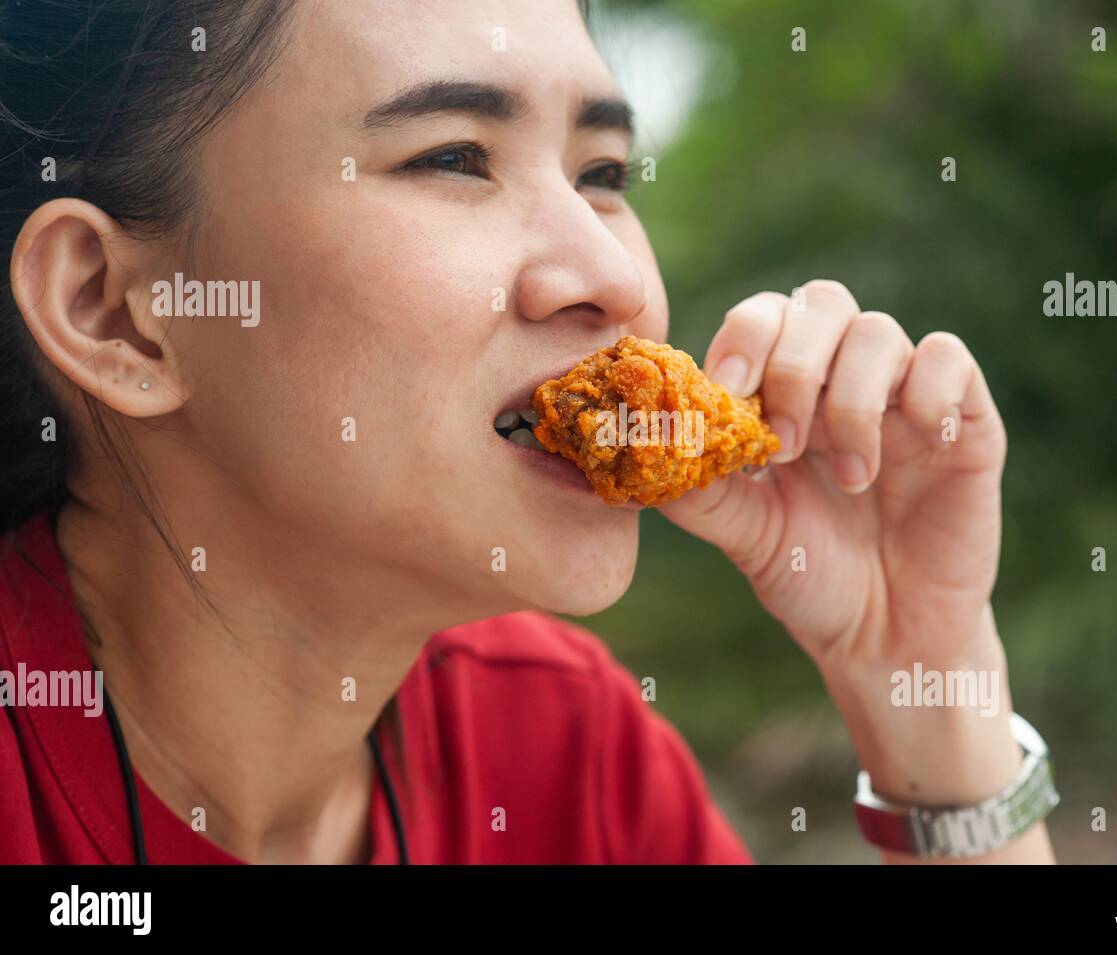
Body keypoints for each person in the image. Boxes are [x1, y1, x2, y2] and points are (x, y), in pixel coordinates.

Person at [0, 0, 1055, 864]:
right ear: (115, 310)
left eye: (602, 175)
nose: (618, 278)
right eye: (456, 157)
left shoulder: (561, 750)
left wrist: (920, 675)